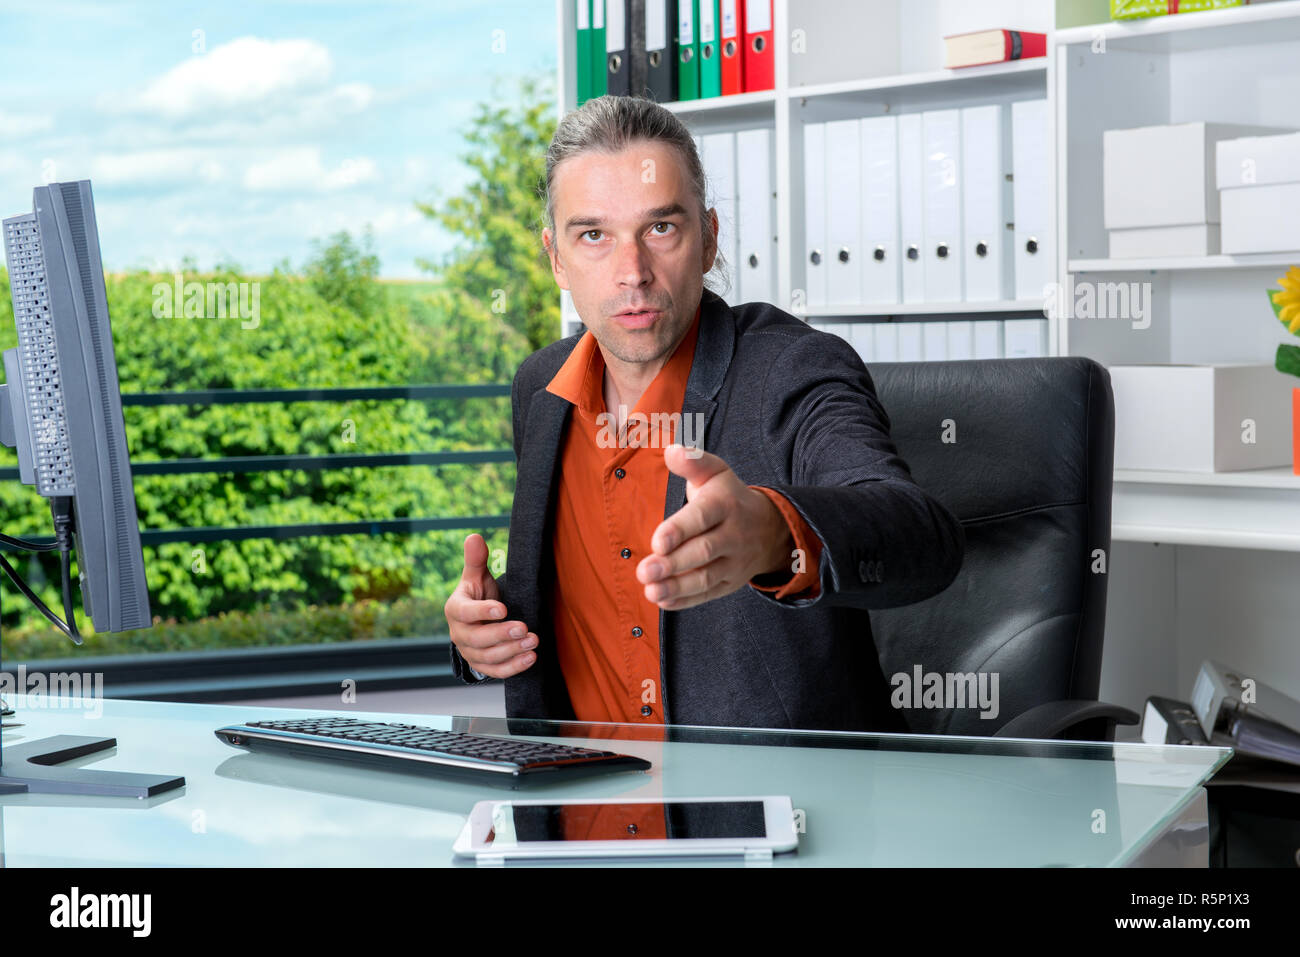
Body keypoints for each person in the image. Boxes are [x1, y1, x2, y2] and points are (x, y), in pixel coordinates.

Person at [442, 94, 964, 732]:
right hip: (573, 813)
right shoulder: (540, 388)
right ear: (557, 258)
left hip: (762, 814)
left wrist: (775, 534)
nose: (632, 272)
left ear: (710, 237)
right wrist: (482, 636)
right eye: (594, 236)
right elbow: (563, 611)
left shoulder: (793, 369)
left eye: (660, 228)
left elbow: (923, 538)